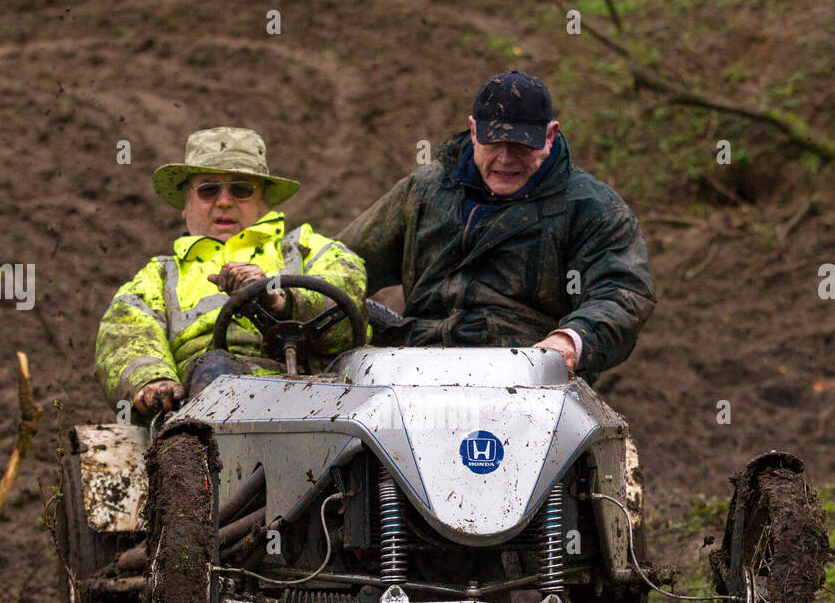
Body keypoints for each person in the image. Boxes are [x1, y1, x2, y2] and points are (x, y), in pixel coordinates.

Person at [338, 71, 655, 383]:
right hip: (416, 367)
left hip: (530, 378)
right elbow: (344, 260)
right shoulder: (424, 192)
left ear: (550, 136)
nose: (505, 158)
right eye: (494, 142)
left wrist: (571, 341)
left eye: (520, 145)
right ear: (474, 131)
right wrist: (295, 295)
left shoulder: (592, 208)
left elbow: (621, 292)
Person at [95, 127, 368, 417]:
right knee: (217, 371)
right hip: (201, 395)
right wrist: (152, 379)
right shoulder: (159, 275)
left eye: (241, 189)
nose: (224, 201)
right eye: (208, 189)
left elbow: (350, 291)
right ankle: (193, 456)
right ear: (186, 206)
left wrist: (281, 300)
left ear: (264, 203)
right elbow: (125, 331)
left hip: (322, 393)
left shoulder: (308, 248)